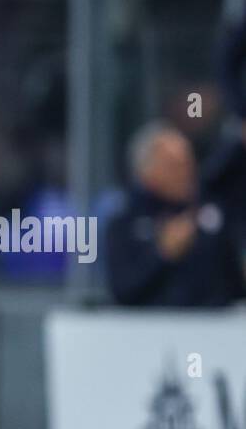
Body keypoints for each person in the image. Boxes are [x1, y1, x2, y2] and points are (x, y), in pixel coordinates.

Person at [104, 121, 246, 307]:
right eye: (175, 166)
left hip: (213, 330)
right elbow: (122, 292)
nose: (187, 173)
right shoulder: (124, 221)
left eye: (189, 163)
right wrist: (162, 254)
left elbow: (232, 287)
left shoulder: (211, 212)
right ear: (146, 172)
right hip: (148, 331)